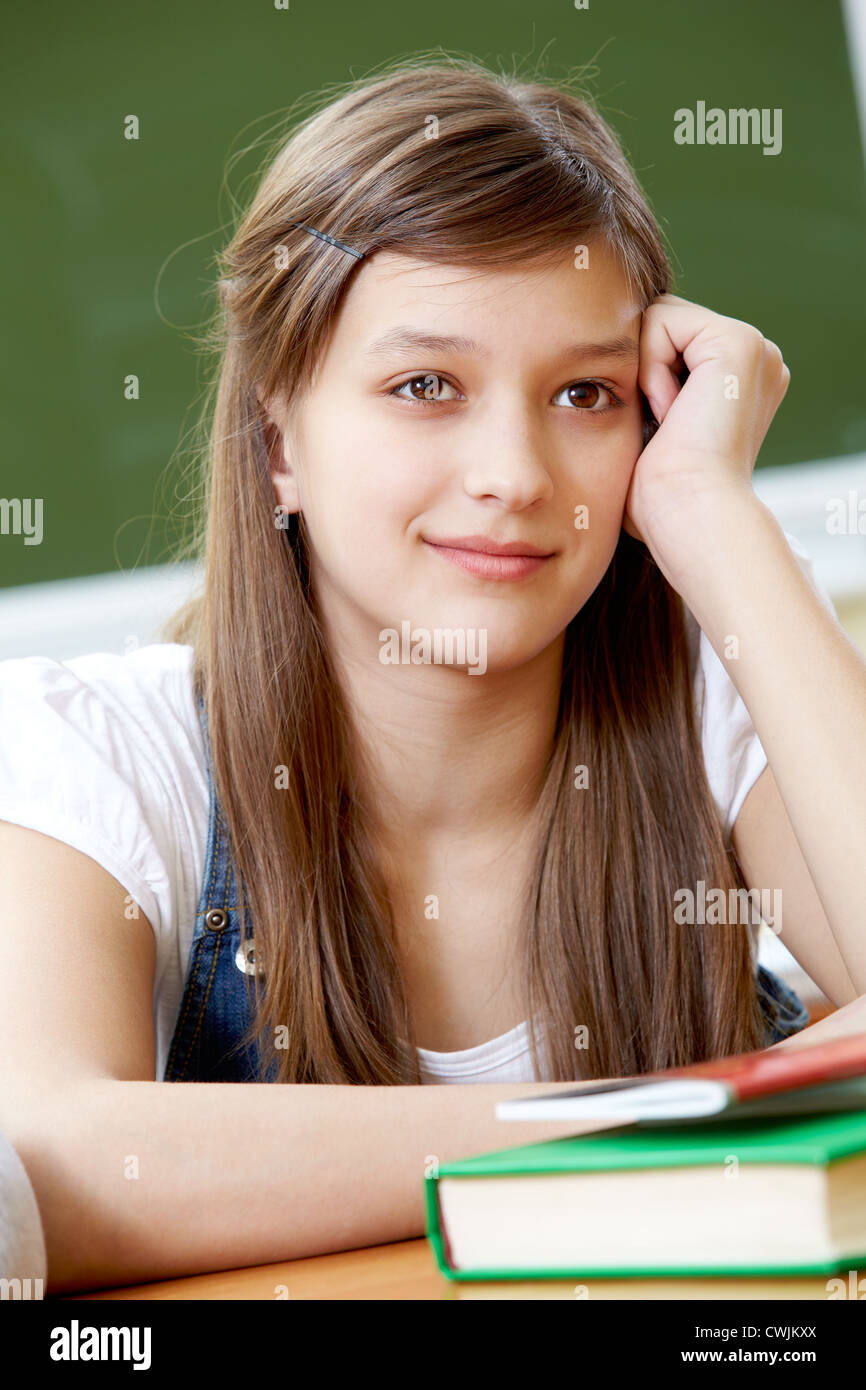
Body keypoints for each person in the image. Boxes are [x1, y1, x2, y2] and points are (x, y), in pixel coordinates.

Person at [1, 56, 863, 1292]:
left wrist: (713, 517)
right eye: (424, 386)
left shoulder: (715, 702)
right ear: (274, 440)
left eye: (584, 392)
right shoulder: (92, 754)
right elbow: (45, 1171)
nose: (513, 472)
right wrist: (672, 1117)